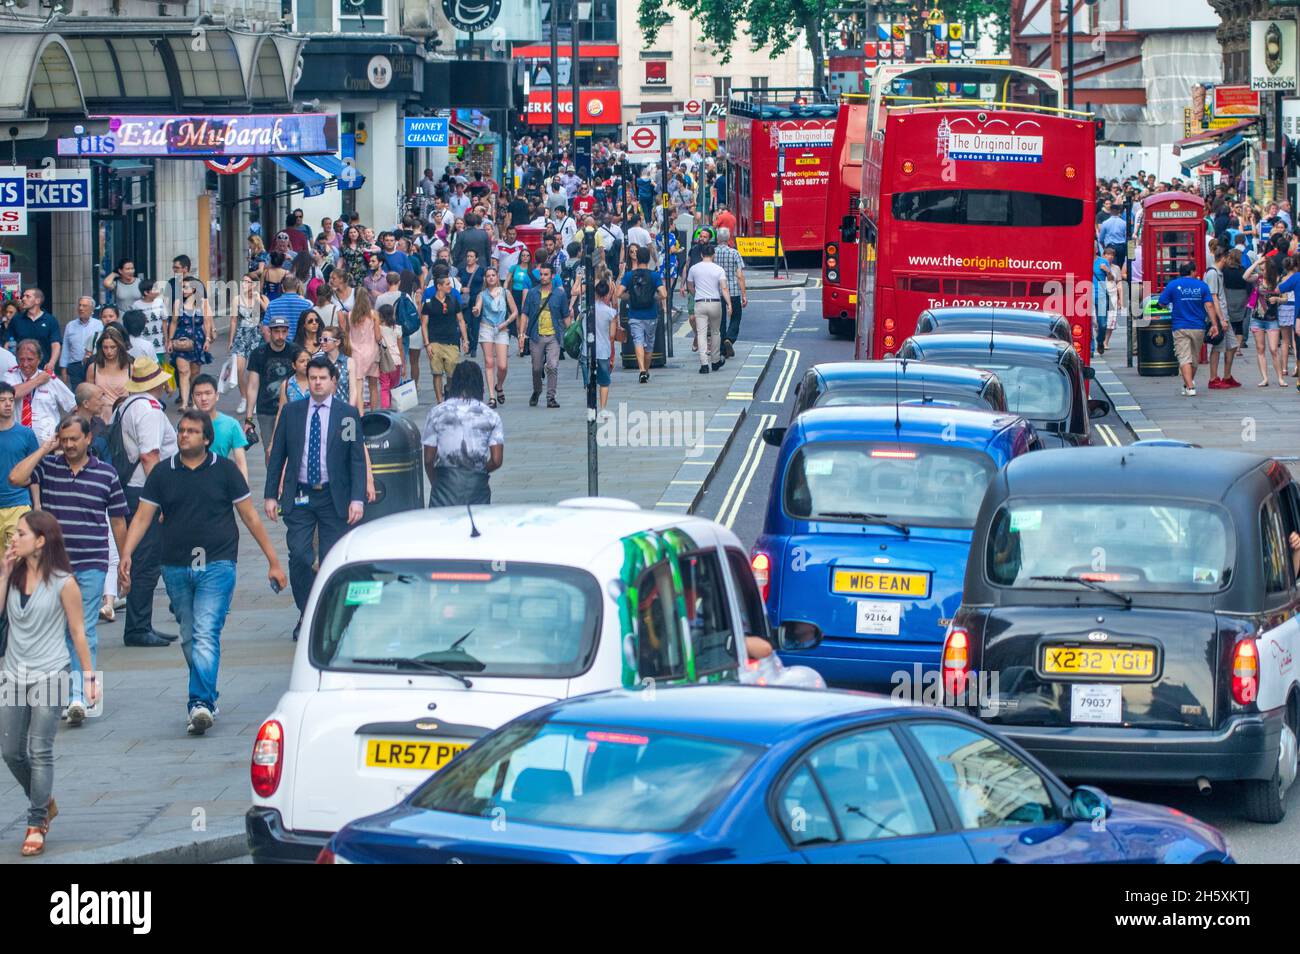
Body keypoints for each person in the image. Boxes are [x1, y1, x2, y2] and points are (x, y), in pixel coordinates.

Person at [121, 410, 286, 734]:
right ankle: (207, 694)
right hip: (176, 564)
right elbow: (142, 517)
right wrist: (126, 552)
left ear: (207, 439)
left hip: (218, 563)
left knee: (205, 631)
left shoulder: (224, 471)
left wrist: (273, 561)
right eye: (181, 430)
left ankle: (200, 702)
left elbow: (250, 517)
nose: (184, 436)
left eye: (192, 431)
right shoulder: (162, 473)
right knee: (189, 635)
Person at [9, 412, 129, 724]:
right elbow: (15, 478)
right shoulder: (48, 468)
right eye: (64, 440)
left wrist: (126, 560)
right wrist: (44, 448)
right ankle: (68, 692)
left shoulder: (106, 475)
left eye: (75, 439)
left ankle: (76, 696)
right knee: (58, 630)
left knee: (83, 628)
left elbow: (118, 521)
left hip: (91, 562)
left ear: (89, 438)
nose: (70, 445)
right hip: (53, 565)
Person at [0, 509, 96, 856]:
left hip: (52, 672)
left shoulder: (63, 582)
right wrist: (4, 571)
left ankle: (36, 820)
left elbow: (78, 632)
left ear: (41, 541)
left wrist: (89, 678)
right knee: (11, 752)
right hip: (13, 673)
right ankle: (45, 799)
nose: (15, 538)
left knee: (40, 750)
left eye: (21, 534)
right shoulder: (11, 575)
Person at [263, 357, 366, 641]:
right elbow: (278, 456)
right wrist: (271, 494)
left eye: (323, 378)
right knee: (299, 555)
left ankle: (333, 614)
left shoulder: (346, 414)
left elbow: (355, 458)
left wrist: (357, 498)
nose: (318, 383)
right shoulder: (293, 412)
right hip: (300, 495)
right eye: (313, 378)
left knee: (334, 557)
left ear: (334, 381)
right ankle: (307, 613)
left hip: (335, 496)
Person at [114, 357, 178, 647]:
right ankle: (138, 628)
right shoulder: (149, 410)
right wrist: (162, 498)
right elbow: (150, 456)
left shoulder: (127, 404)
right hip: (144, 492)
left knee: (144, 559)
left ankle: (142, 624)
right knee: (146, 562)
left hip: (131, 489)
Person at [421, 360, 503, 507]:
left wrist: (436, 482)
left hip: (444, 485)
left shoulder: (437, 413)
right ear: (480, 385)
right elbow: (496, 460)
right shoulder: (490, 415)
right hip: (477, 486)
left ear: (454, 384)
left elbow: (428, 459)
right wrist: (479, 472)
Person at [1157, 262, 1222, 397]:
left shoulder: (1173, 285)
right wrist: (1215, 325)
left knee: (1184, 357)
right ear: (1193, 271)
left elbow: (1162, 303)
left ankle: (1190, 386)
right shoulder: (1202, 286)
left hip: (1180, 326)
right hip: (1198, 327)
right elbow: (1209, 306)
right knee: (1194, 357)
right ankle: (1188, 384)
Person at [245, 316, 304, 457]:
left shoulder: (296, 351)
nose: (280, 336)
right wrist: (249, 419)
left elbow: (303, 379)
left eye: (284, 332)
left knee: (294, 451)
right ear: (269, 332)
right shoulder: (258, 354)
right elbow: (252, 386)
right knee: (270, 451)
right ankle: (272, 479)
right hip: (266, 410)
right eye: (277, 332)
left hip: (292, 409)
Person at [5, 340, 76, 443]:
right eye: (21, 359)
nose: (25, 364)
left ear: (39, 360)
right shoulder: (10, 376)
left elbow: (74, 406)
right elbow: (11, 394)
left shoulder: (51, 379)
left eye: (30, 359)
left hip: (46, 445)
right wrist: (38, 380)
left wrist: (64, 432)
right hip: (16, 443)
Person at [522, 264, 570, 408]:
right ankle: (537, 390)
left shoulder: (559, 294)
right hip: (536, 336)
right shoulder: (532, 293)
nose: (543, 277)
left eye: (546, 274)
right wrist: (521, 334)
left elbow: (566, 316)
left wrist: (572, 333)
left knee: (552, 366)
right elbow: (524, 314)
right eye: (541, 274)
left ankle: (551, 397)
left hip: (554, 336)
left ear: (552, 276)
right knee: (536, 368)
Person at [190, 373, 249, 482]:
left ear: (217, 395)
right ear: (193, 398)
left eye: (208, 393)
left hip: (220, 482)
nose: (203, 398)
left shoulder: (231, 424)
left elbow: (241, 462)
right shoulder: (186, 425)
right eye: (198, 394)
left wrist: (243, 491)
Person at [473, 267, 518, 408]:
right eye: (488, 276)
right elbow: (478, 308)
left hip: (502, 328)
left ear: (497, 277)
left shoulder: (505, 293)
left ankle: (499, 385)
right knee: (489, 362)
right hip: (486, 327)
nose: (491, 278)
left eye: (493, 275)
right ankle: (492, 396)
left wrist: (506, 322)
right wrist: (476, 311)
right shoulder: (482, 294)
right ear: (485, 279)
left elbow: (515, 311)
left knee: (502, 366)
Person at [620, 245, 666, 383]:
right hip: (651, 315)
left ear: (637, 258)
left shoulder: (629, 275)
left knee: (638, 342)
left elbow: (618, 293)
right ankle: (645, 370)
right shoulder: (654, 275)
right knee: (649, 345)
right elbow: (664, 294)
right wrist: (653, 297)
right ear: (648, 260)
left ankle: (641, 370)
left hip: (634, 314)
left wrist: (630, 297)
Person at [168, 275, 214, 411]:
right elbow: (174, 323)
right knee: (183, 372)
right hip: (180, 340)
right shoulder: (178, 303)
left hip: (198, 341)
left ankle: (194, 401)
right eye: (182, 287)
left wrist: (207, 339)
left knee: (194, 374)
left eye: (185, 287)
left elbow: (207, 322)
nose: (182, 290)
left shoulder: (203, 303)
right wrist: (170, 340)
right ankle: (183, 403)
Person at [0, 382, 37, 550]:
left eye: (10, 400)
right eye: (2, 400)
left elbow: (36, 472)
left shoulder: (26, 434)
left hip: (19, 503)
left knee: (16, 560)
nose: (8, 404)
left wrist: (37, 504)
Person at [422, 274, 467, 404]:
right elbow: (424, 324)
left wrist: (465, 340)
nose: (450, 286)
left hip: (452, 341)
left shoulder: (453, 301)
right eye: (447, 284)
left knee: (452, 373)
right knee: (436, 373)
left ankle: (448, 389)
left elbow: (461, 320)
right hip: (434, 341)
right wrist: (427, 343)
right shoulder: (429, 304)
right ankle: (439, 401)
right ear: (439, 286)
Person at [1245, 253, 1286, 386]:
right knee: (1260, 349)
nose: (1261, 272)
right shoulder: (1258, 279)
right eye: (1261, 269)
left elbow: (1285, 297)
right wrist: (1257, 263)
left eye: (1264, 269)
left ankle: (1280, 378)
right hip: (1257, 318)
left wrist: (1278, 299)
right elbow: (1245, 276)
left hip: (1272, 318)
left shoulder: (1279, 280)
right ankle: (1265, 378)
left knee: (1274, 349)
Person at [229, 274, 265, 416]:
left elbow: (269, 311)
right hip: (241, 335)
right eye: (243, 281)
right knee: (239, 369)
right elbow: (233, 320)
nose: (244, 284)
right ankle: (244, 397)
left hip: (256, 335)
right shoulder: (237, 299)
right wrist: (231, 340)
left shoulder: (260, 298)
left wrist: (258, 300)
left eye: (248, 282)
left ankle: (253, 400)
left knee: (254, 372)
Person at [1204, 248, 1240, 389]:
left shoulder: (1218, 273)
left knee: (1232, 345)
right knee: (1217, 347)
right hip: (1219, 316)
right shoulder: (1213, 273)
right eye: (1229, 258)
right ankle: (1213, 379)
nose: (1231, 261)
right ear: (1224, 258)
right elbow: (1214, 298)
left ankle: (1227, 376)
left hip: (1224, 315)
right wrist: (1221, 319)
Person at [348, 287, 382, 411]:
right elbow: (378, 337)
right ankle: (373, 412)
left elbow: (348, 334)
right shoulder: (373, 315)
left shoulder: (350, 315)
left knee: (358, 386)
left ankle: (360, 413)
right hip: (372, 352)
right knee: (373, 386)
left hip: (356, 353)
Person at [11, 290, 60, 374]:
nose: (23, 299)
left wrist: (51, 363)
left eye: (28, 296)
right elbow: (9, 343)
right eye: (23, 296)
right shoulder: (16, 320)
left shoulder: (50, 320)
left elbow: (56, 344)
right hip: (21, 369)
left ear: (37, 300)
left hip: (44, 369)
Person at [714, 228, 746, 355]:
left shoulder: (712, 253)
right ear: (729, 239)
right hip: (733, 292)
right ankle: (730, 338)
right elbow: (740, 276)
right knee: (736, 317)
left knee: (720, 320)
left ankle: (722, 348)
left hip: (717, 292)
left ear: (717, 239)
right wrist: (744, 294)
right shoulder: (734, 253)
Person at [60, 297, 102, 389]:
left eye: (84, 306)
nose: (81, 308)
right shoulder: (70, 325)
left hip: (93, 365)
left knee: (92, 393)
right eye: (79, 305)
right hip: (75, 366)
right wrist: (63, 369)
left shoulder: (99, 325)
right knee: (77, 395)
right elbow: (66, 349)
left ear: (92, 309)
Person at [592, 279, 619, 415]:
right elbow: (612, 335)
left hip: (588, 350)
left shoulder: (586, 309)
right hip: (603, 350)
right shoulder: (611, 312)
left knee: (591, 381)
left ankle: (591, 407)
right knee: (604, 381)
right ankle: (602, 409)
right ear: (607, 294)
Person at [262, 273, 313, 340]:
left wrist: (271, 347)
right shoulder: (307, 305)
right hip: (300, 346)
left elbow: (265, 330)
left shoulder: (272, 305)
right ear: (297, 286)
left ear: (282, 287)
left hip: (279, 345)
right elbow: (311, 328)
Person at [376, 304, 404, 409]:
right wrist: (404, 365)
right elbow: (400, 348)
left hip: (384, 360)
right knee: (393, 386)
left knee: (384, 386)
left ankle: (385, 409)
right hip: (396, 361)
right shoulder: (397, 328)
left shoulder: (378, 329)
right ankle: (393, 408)